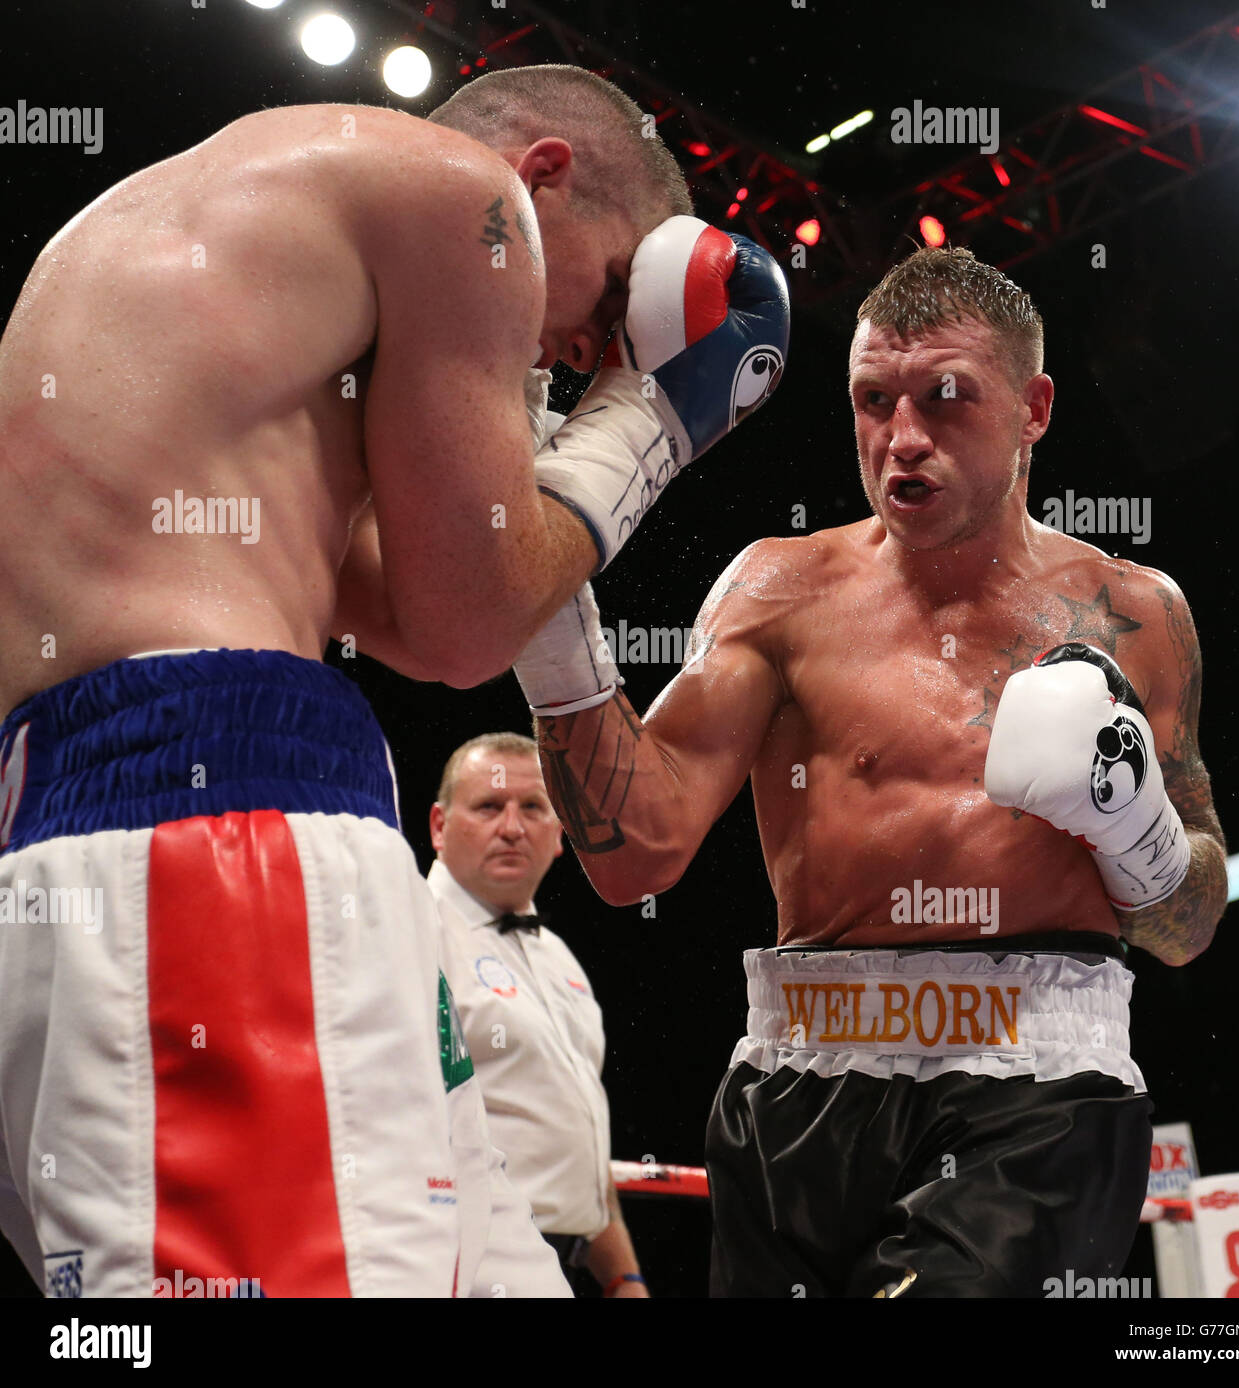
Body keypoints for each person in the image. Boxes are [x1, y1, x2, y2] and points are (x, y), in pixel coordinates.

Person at [0, 61, 788, 1297]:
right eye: (607, 293)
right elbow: (474, 627)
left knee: (483, 1271)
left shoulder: (218, 232)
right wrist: (655, 419)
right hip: (216, 825)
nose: (584, 348)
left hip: (108, 819)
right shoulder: (461, 194)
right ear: (543, 174)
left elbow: (421, 617)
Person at [509, 245, 1227, 1297]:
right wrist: (550, 621)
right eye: (872, 400)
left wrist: (1137, 826)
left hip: (1034, 1087)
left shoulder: (1133, 613)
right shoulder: (777, 588)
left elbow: (1188, 926)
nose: (902, 437)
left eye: (945, 398)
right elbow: (635, 854)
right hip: (793, 1088)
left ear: (1033, 408)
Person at [427, 733, 649, 1298]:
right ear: (438, 826)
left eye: (532, 808)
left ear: (560, 835)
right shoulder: (415, 932)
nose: (511, 827)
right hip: (470, 1256)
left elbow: (579, 1124)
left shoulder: (557, 956)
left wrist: (623, 1277)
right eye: (487, 807)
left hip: (570, 1264)